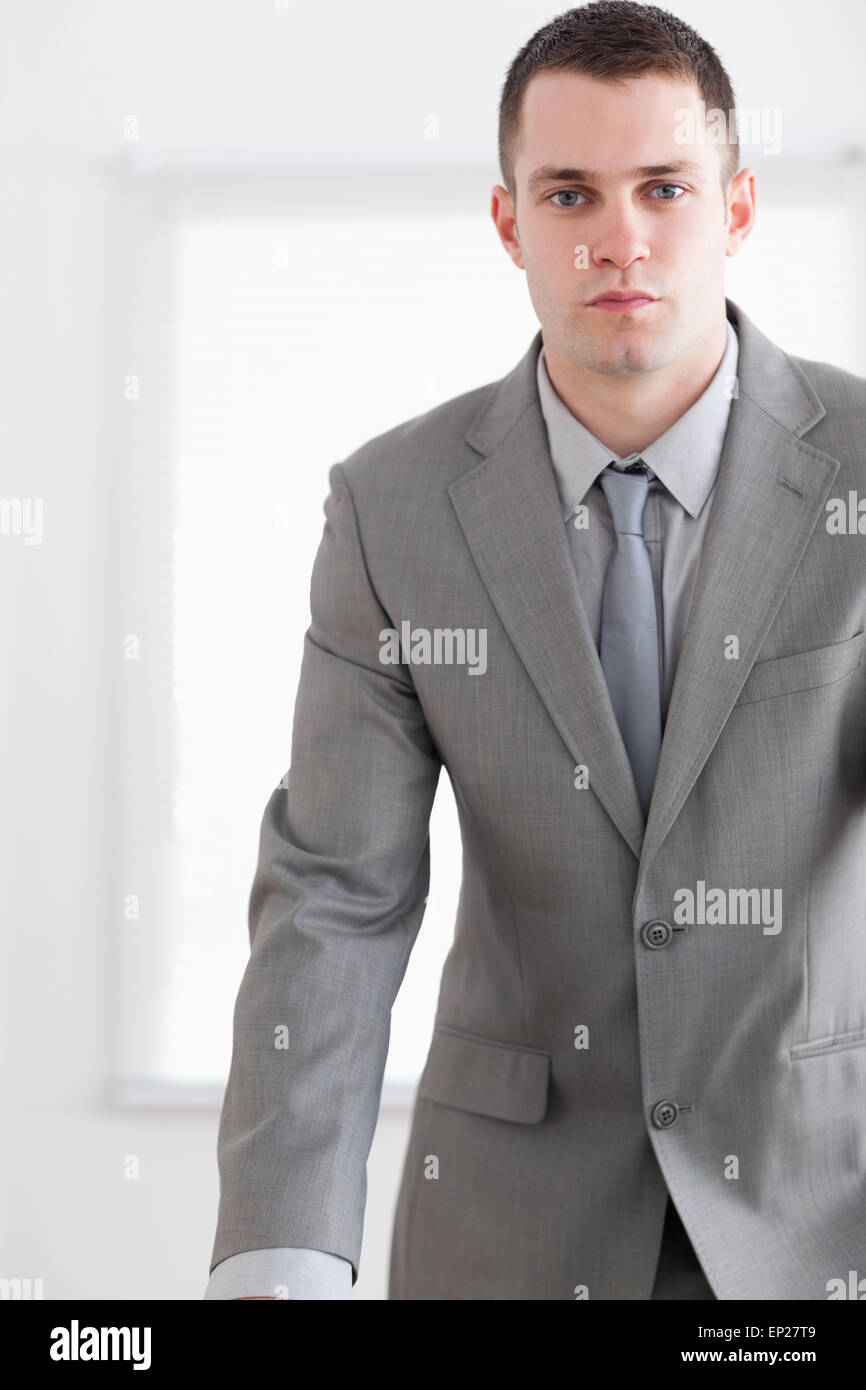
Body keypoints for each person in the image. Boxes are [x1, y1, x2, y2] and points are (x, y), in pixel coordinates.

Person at [205, 2, 866, 1300]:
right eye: (569, 193)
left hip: (818, 1205)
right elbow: (336, 896)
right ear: (509, 223)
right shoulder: (391, 507)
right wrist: (277, 1258)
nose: (618, 238)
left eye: (661, 188)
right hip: (507, 1231)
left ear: (733, 207)